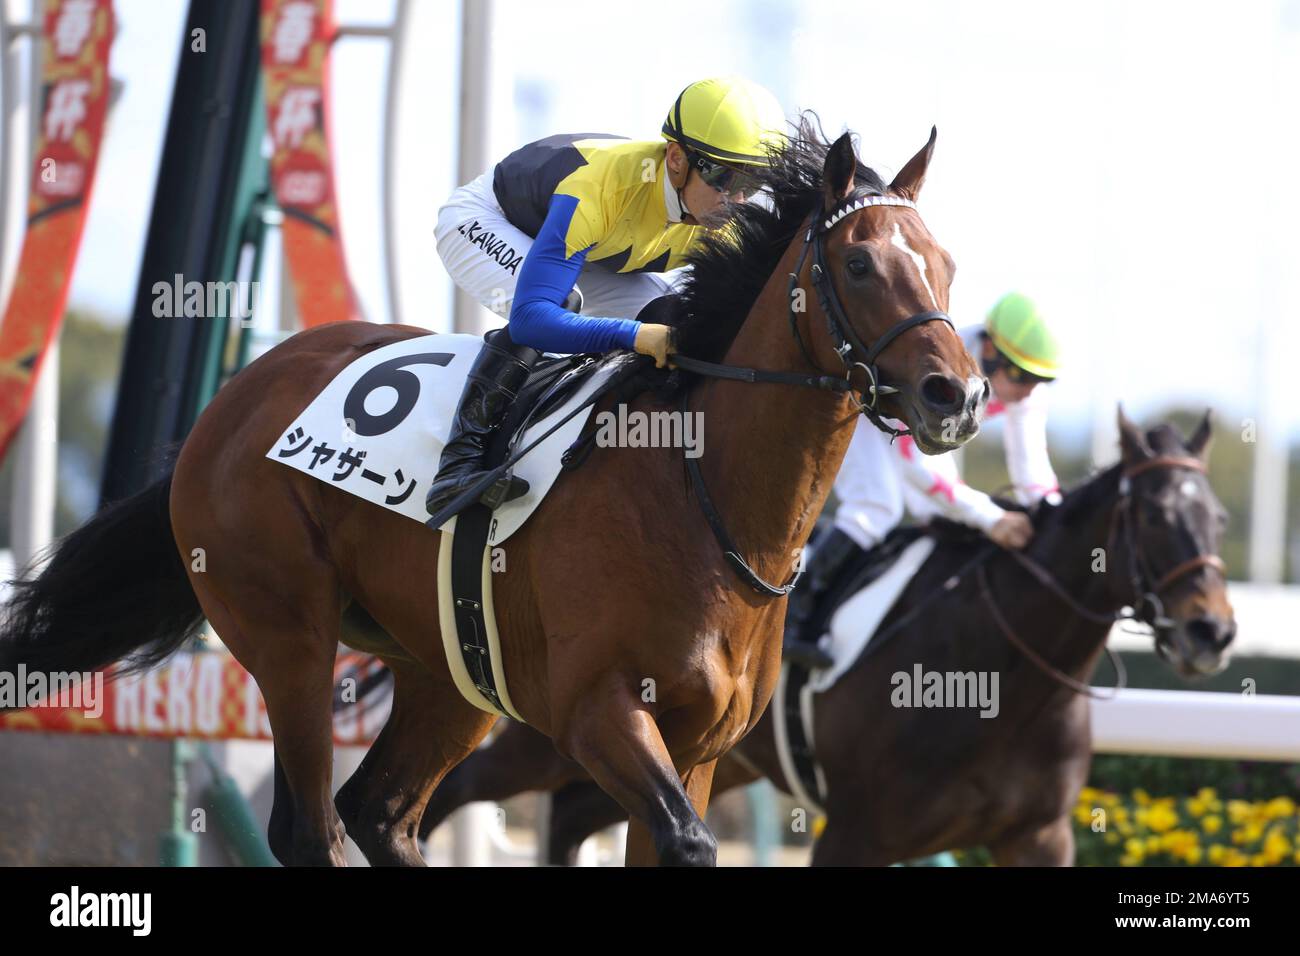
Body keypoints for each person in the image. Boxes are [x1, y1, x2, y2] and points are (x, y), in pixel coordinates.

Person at [424, 76, 786, 521]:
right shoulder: (602, 189)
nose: (738, 198)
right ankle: (459, 462)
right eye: (726, 176)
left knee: (673, 317)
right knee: (564, 308)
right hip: (488, 221)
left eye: (755, 181)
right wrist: (632, 335)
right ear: (676, 159)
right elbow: (532, 320)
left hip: (590, 250)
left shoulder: (723, 220)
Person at [784, 291, 1062, 667]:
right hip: (862, 410)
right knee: (878, 505)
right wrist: (991, 518)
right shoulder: (945, 372)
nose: (1028, 389)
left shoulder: (1027, 395)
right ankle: (796, 617)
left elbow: (1032, 470)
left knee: (937, 514)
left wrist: (1056, 520)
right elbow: (918, 468)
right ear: (991, 352)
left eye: (1039, 379)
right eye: (1021, 375)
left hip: (912, 434)